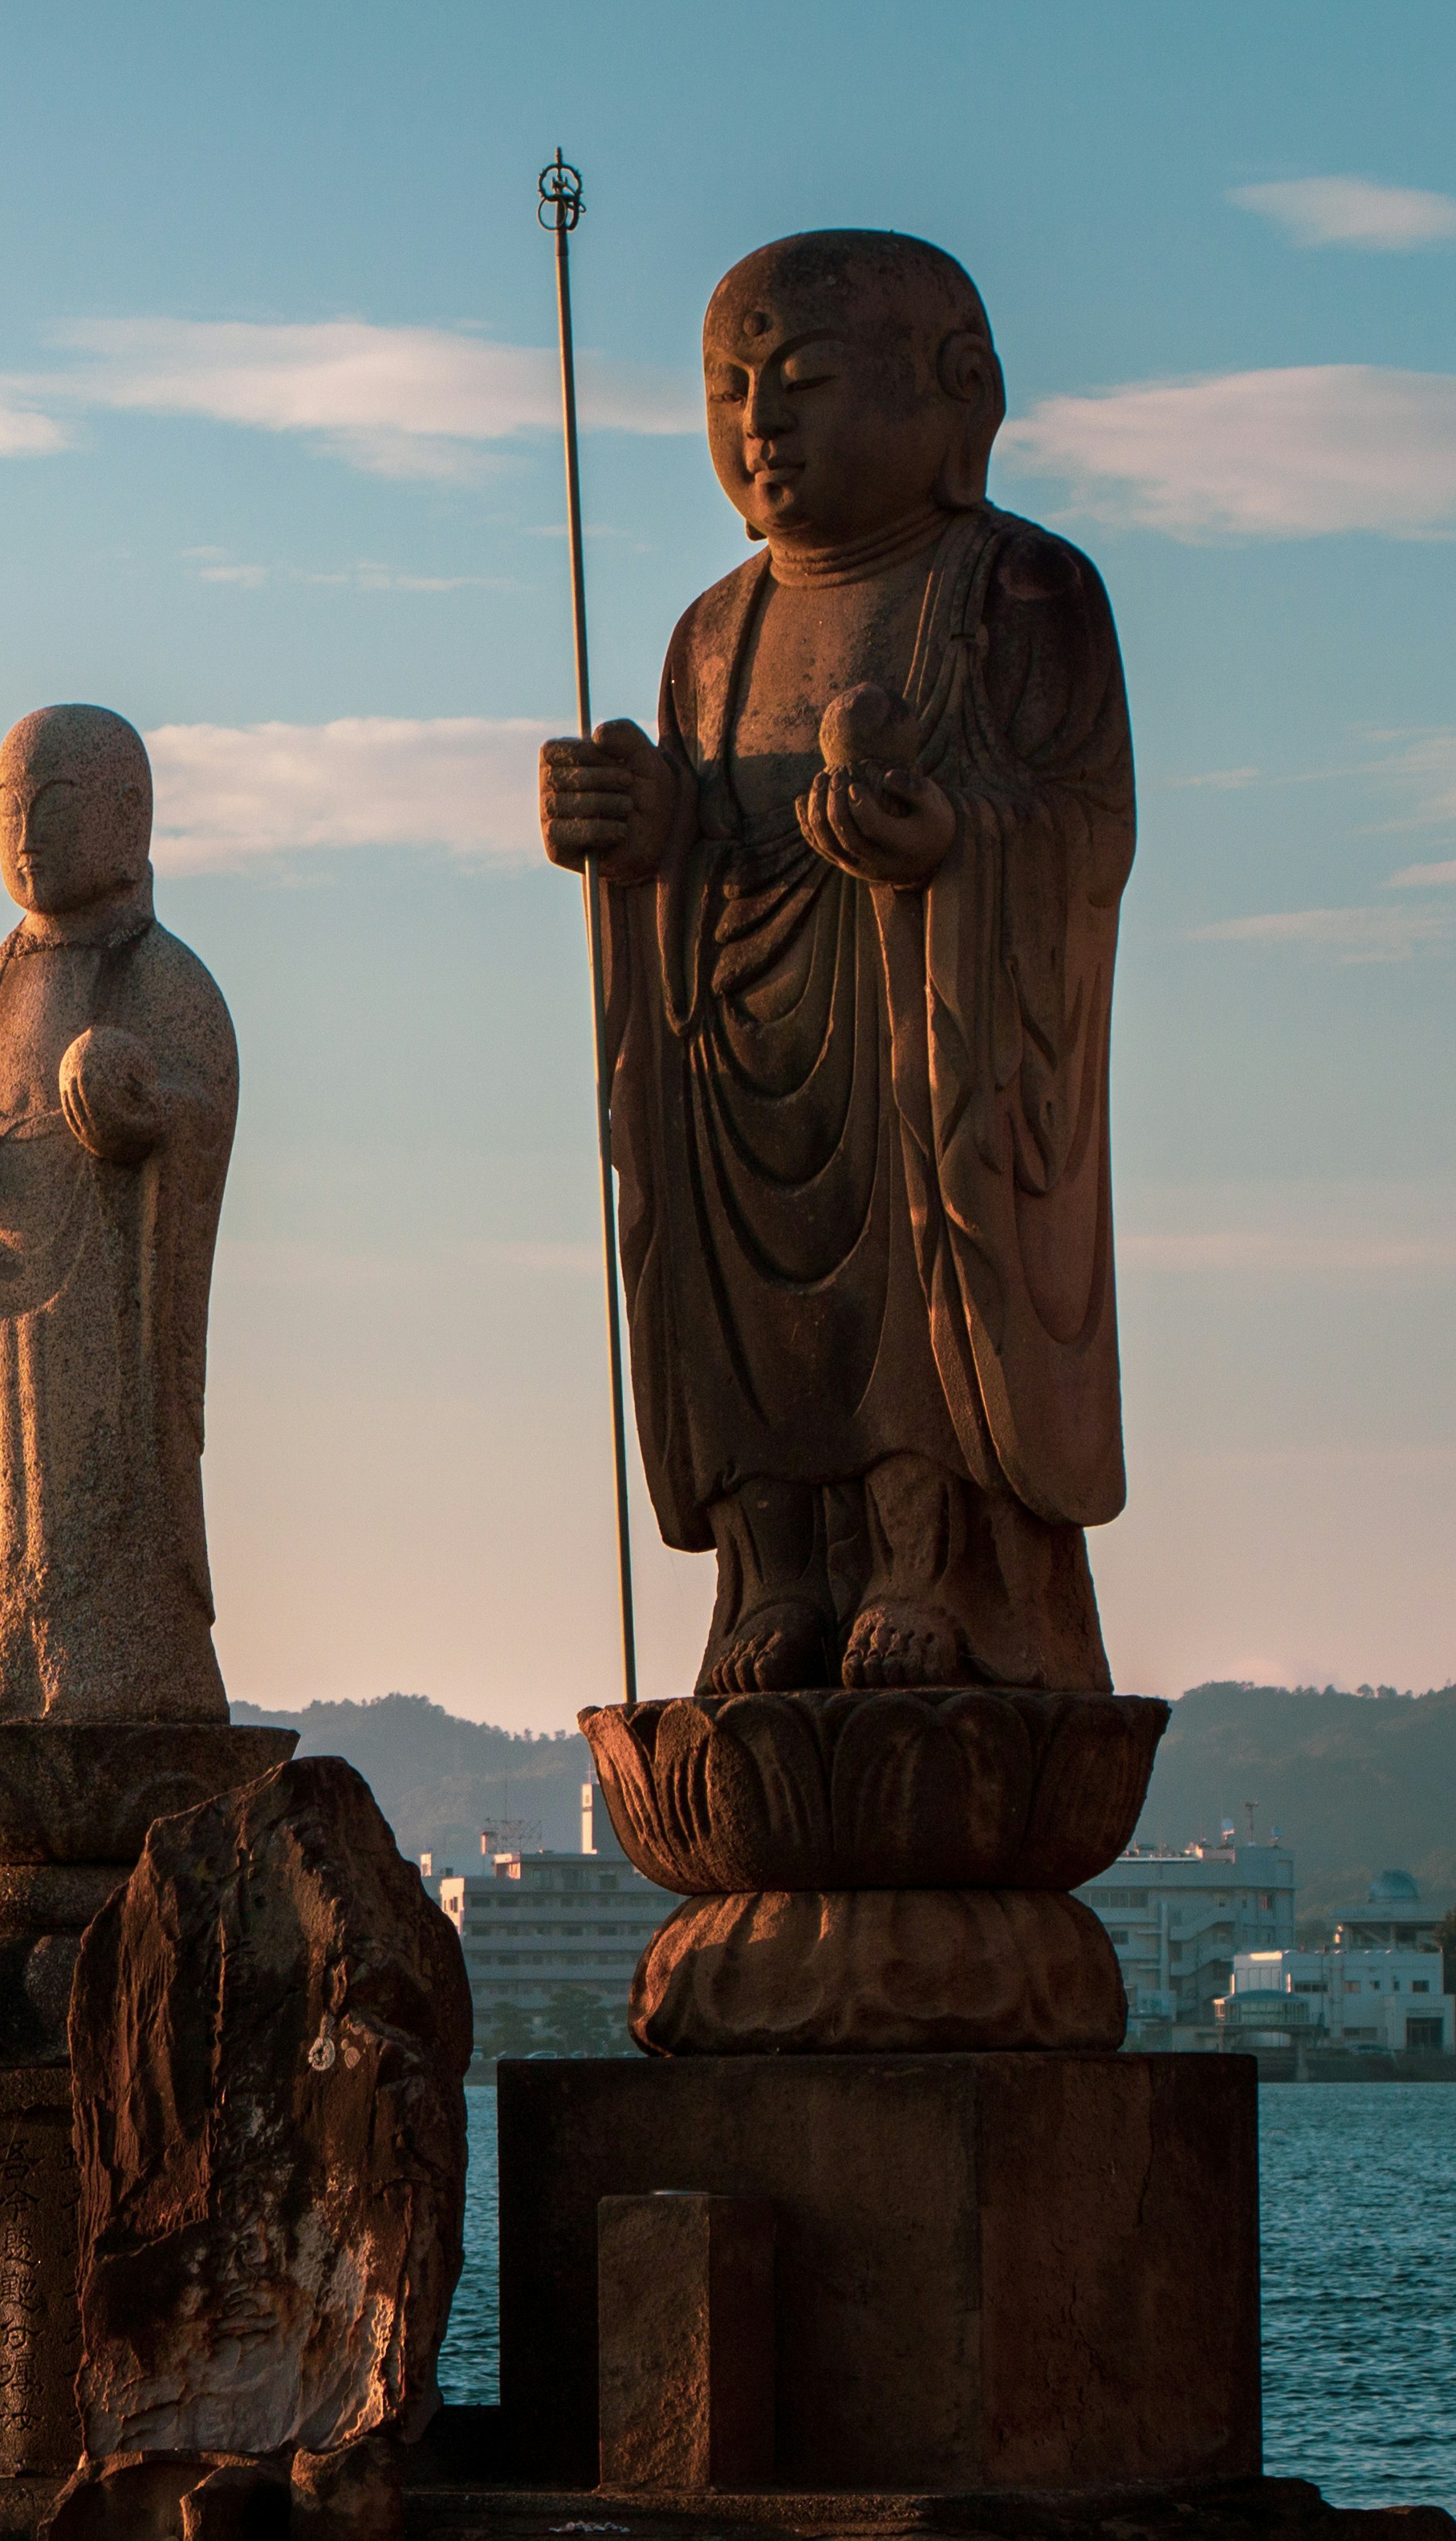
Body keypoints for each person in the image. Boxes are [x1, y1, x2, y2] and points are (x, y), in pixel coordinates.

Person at [539, 232, 1131, 1695]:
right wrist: (641, 831)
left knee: (916, 1273)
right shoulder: (709, 633)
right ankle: (772, 1570)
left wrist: (948, 841)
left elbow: (1081, 829)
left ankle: (929, 1560)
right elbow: (692, 831)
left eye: (800, 382)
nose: (759, 423)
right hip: (733, 1036)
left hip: (920, 1028)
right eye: (728, 390)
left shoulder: (1016, 589)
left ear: (959, 398)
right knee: (727, 1290)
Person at [0, 704, 238, 1725]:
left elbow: (199, 1111)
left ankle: (119, 1674)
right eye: (10, 810)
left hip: (104, 1326)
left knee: (92, 1507)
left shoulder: (164, 980)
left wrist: (138, 1105)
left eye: (56, 808)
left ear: (128, 817)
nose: (27, 835)